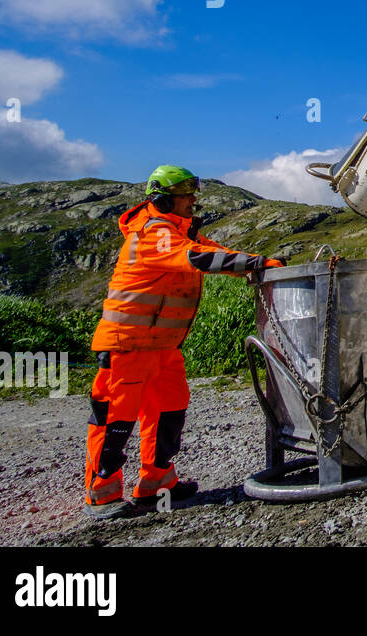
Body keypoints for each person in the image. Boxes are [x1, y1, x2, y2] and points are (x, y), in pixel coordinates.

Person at [83, 165, 284, 518]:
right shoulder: (154, 232)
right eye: (185, 194)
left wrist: (254, 264)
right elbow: (199, 258)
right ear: (163, 199)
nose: (193, 200)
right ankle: (102, 492)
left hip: (163, 346)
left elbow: (214, 252)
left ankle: (157, 482)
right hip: (127, 344)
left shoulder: (179, 232)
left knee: (169, 411)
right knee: (115, 418)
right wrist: (257, 263)